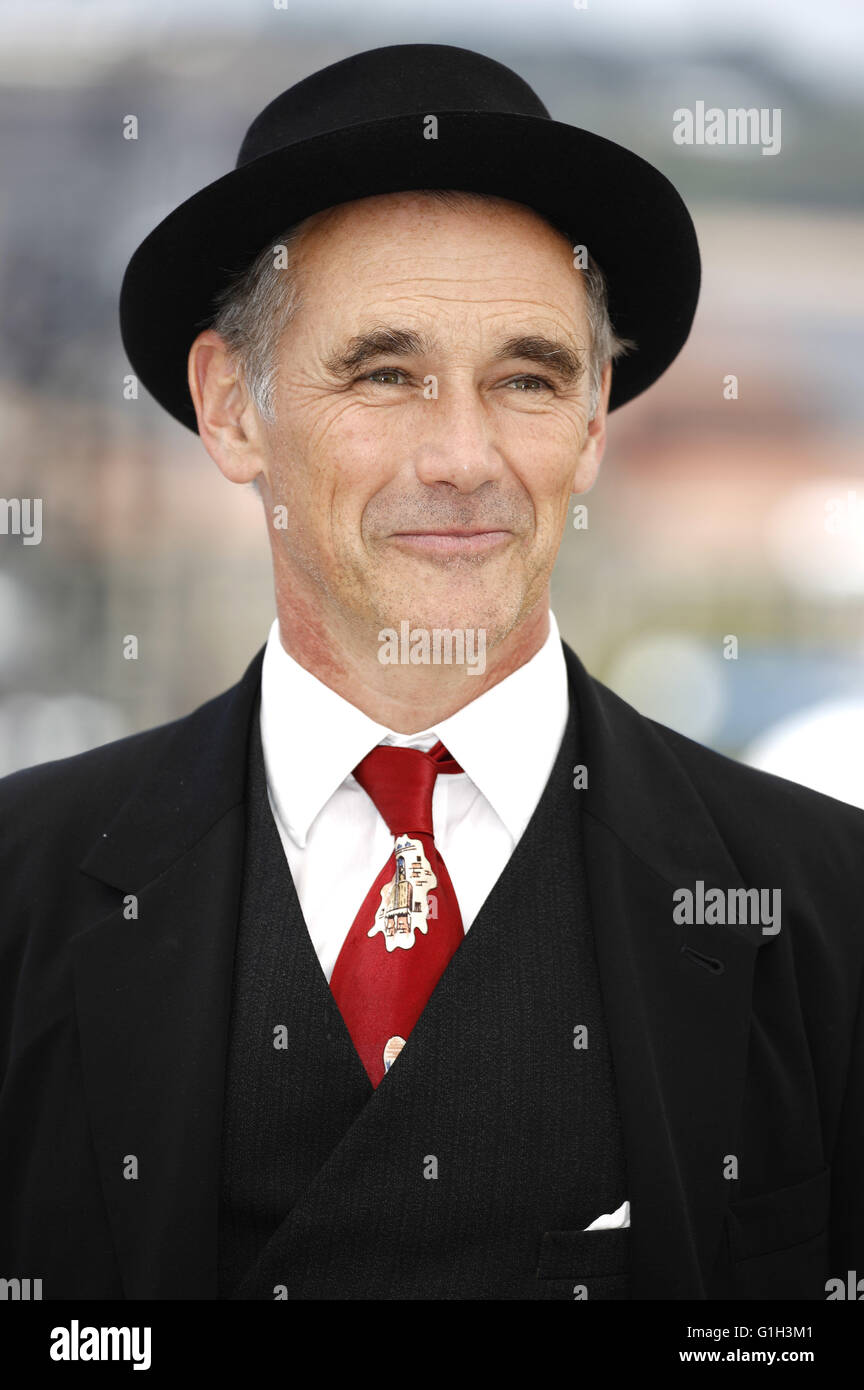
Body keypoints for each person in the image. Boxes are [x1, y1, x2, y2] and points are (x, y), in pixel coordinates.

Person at [0, 43, 861, 1302]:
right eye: (385, 374)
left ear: (594, 421)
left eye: (525, 378)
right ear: (232, 409)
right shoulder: (20, 895)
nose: (462, 456)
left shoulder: (826, 910)